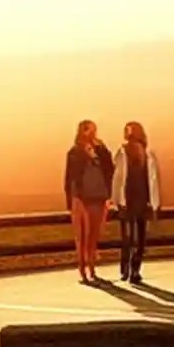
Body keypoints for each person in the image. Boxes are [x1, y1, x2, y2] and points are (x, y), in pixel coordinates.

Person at [63, 119, 114, 284]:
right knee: (82, 235)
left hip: (99, 196)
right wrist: (70, 201)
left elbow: (110, 169)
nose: (91, 134)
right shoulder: (75, 152)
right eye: (87, 130)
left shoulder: (100, 150)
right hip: (81, 197)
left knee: (94, 234)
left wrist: (101, 150)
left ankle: (92, 265)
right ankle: (82, 267)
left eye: (93, 130)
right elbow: (69, 177)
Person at [111, 121, 161, 284]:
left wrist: (154, 202)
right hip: (128, 199)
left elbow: (153, 179)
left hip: (142, 199)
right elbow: (118, 178)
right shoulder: (122, 152)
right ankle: (126, 268)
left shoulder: (148, 154)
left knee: (140, 238)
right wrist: (116, 199)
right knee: (127, 237)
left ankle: (135, 269)